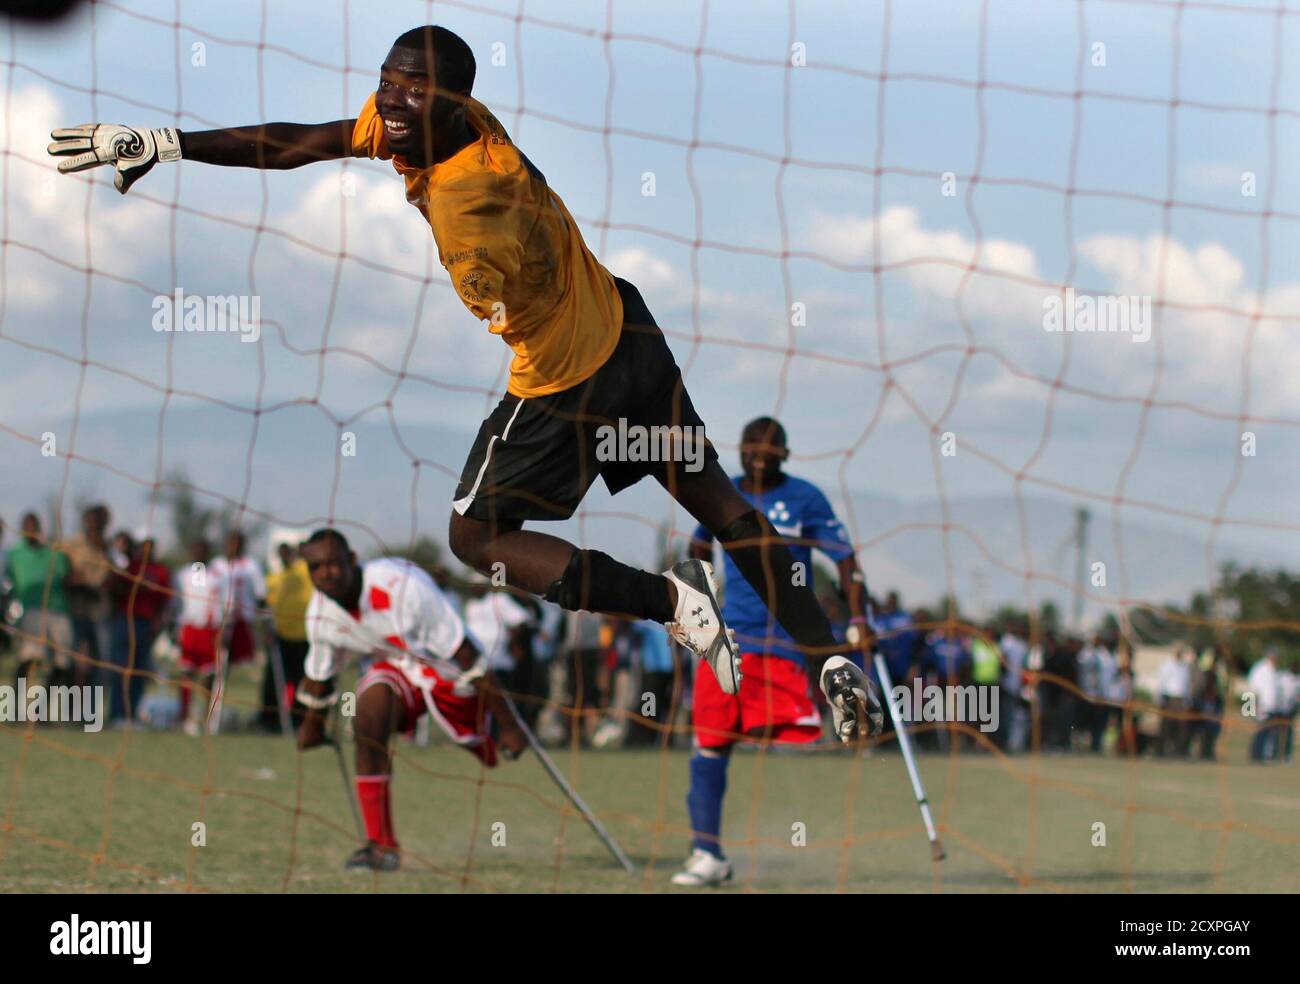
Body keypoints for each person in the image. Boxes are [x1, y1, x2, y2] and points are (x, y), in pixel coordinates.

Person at [47, 23, 881, 749]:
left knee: (475, 536)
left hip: (568, 378)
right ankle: (829, 652)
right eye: (388, 84)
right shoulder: (448, 123)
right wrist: (167, 142)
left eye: (413, 92)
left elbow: (490, 289)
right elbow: (306, 142)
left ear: (452, 103)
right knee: (726, 507)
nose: (393, 103)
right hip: (632, 330)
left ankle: (670, 600)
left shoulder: (470, 205)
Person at [674, 417, 884, 887]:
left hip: (787, 640)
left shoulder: (806, 497)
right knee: (708, 741)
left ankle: (850, 710)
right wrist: (694, 600)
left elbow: (845, 560)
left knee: (793, 734)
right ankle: (706, 852)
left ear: (784, 456)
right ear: (742, 450)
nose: (761, 457)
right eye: (753, 449)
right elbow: (696, 544)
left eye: (771, 452)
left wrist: (860, 618)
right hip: (729, 639)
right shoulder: (721, 489)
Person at [294, 528, 526, 871]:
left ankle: (487, 733)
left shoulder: (400, 588)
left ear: (353, 561)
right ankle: (381, 847)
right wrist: (312, 727)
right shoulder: (319, 614)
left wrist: (510, 724)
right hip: (396, 668)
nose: (325, 573)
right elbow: (319, 676)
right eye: (315, 567)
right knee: (367, 718)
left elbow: (467, 655)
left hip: (446, 671)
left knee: (475, 737)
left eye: (333, 563)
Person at [106, 531, 170, 725]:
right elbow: (113, 589)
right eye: (143, 545)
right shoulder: (129, 567)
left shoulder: (160, 571)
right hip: (124, 621)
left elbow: (163, 601)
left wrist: (158, 622)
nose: (146, 550)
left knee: (139, 671)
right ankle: (117, 713)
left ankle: (132, 713)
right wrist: (134, 586)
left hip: (145, 624)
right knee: (121, 669)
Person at [6, 513, 73, 685]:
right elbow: (9, 581)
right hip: (32, 611)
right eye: (26, 527)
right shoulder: (15, 554)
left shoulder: (53, 553)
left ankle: (40, 707)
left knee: (63, 663)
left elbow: (66, 577)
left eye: (33, 526)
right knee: (30, 658)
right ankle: (14, 704)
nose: (30, 531)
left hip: (58, 610)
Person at [261, 542, 313, 732]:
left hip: (304, 636)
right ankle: (269, 720)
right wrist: (268, 629)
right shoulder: (275, 578)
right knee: (274, 681)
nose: (285, 556)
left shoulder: (306, 572)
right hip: (281, 637)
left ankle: (299, 719)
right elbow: (267, 605)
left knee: (302, 681)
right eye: (281, 553)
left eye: (287, 553)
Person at [60, 504, 112, 690]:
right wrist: (71, 579)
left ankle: (91, 709)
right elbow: (62, 571)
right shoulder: (72, 544)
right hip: (77, 608)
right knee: (77, 660)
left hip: (100, 610)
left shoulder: (107, 547)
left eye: (97, 520)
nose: (92, 524)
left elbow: (108, 578)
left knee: (101, 660)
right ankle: (74, 708)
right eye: (89, 520)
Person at [175, 538, 220, 735]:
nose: (198, 554)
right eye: (195, 550)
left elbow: (221, 603)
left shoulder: (217, 575)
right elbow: (176, 602)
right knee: (186, 672)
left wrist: (221, 628)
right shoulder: (182, 574)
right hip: (189, 628)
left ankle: (207, 717)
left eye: (202, 550)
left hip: (209, 630)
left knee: (209, 675)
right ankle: (185, 716)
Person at [1156, 646, 1193, 758]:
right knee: (1166, 725)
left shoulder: (1185, 667)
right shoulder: (1166, 666)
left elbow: (1187, 685)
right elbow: (1161, 683)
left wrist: (1188, 700)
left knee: (1182, 727)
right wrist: (1160, 699)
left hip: (1181, 699)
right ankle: (1161, 750)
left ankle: (1179, 751)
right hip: (1169, 697)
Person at [1247, 648, 1282, 762]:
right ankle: (1256, 755)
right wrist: (1250, 708)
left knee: (1268, 732)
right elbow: (1252, 688)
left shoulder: (1274, 670)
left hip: (1272, 707)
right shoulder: (1260, 669)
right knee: (1261, 731)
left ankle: (1263, 755)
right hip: (1261, 706)